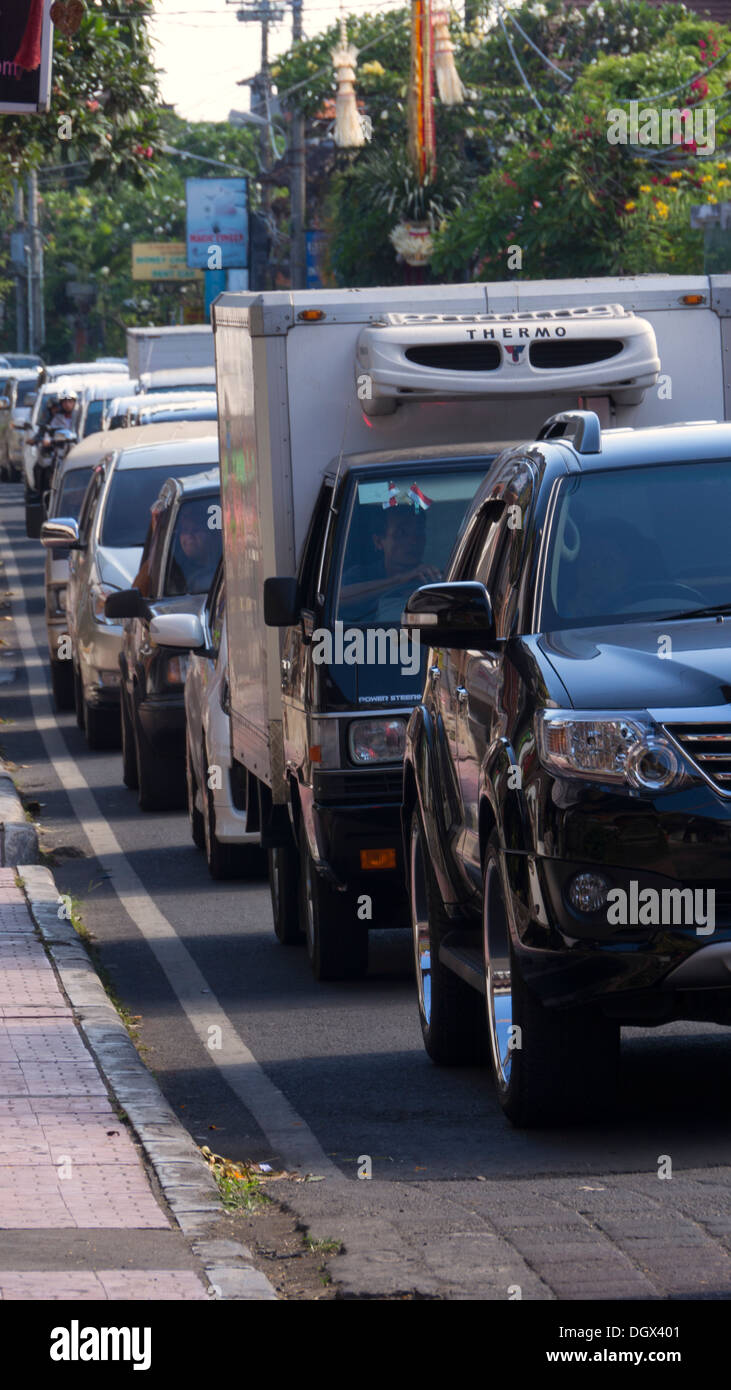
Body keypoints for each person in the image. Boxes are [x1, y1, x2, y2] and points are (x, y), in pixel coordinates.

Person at [340, 499, 441, 623]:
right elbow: (338, 599)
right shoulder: (361, 576)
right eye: (401, 533)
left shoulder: (435, 580)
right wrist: (399, 581)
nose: (413, 541)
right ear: (378, 542)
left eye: (419, 532)